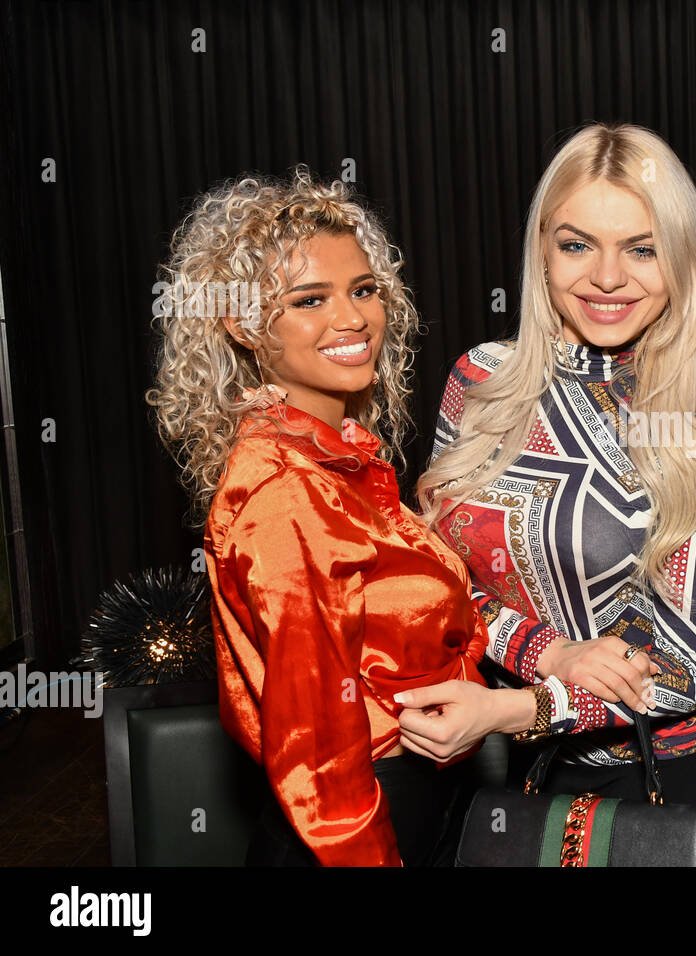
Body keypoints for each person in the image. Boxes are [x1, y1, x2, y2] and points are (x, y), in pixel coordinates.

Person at [146, 167, 540, 866]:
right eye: (309, 299)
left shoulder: (341, 460)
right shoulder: (283, 491)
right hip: (354, 831)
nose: (352, 318)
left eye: (363, 289)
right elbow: (318, 756)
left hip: (416, 805)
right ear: (241, 324)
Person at [400, 124, 696, 829]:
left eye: (643, 249)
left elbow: (683, 672)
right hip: (534, 766)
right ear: (542, 249)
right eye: (577, 244)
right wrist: (551, 652)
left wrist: (512, 708)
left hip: (664, 775)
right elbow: (439, 587)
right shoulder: (479, 381)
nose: (606, 278)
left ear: (682, 263)